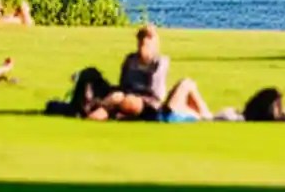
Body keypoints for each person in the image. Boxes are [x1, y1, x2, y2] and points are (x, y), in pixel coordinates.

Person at [81, 25, 212, 122]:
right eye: (142, 41)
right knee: (187, 85)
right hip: (162, 112)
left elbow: (154, 92)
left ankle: (207, 115)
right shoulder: (132, 60)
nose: (143, 45)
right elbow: (153, 94)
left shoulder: (158, 62)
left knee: (188, 90)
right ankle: (207, 116)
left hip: (153, 106)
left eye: (147, 41)